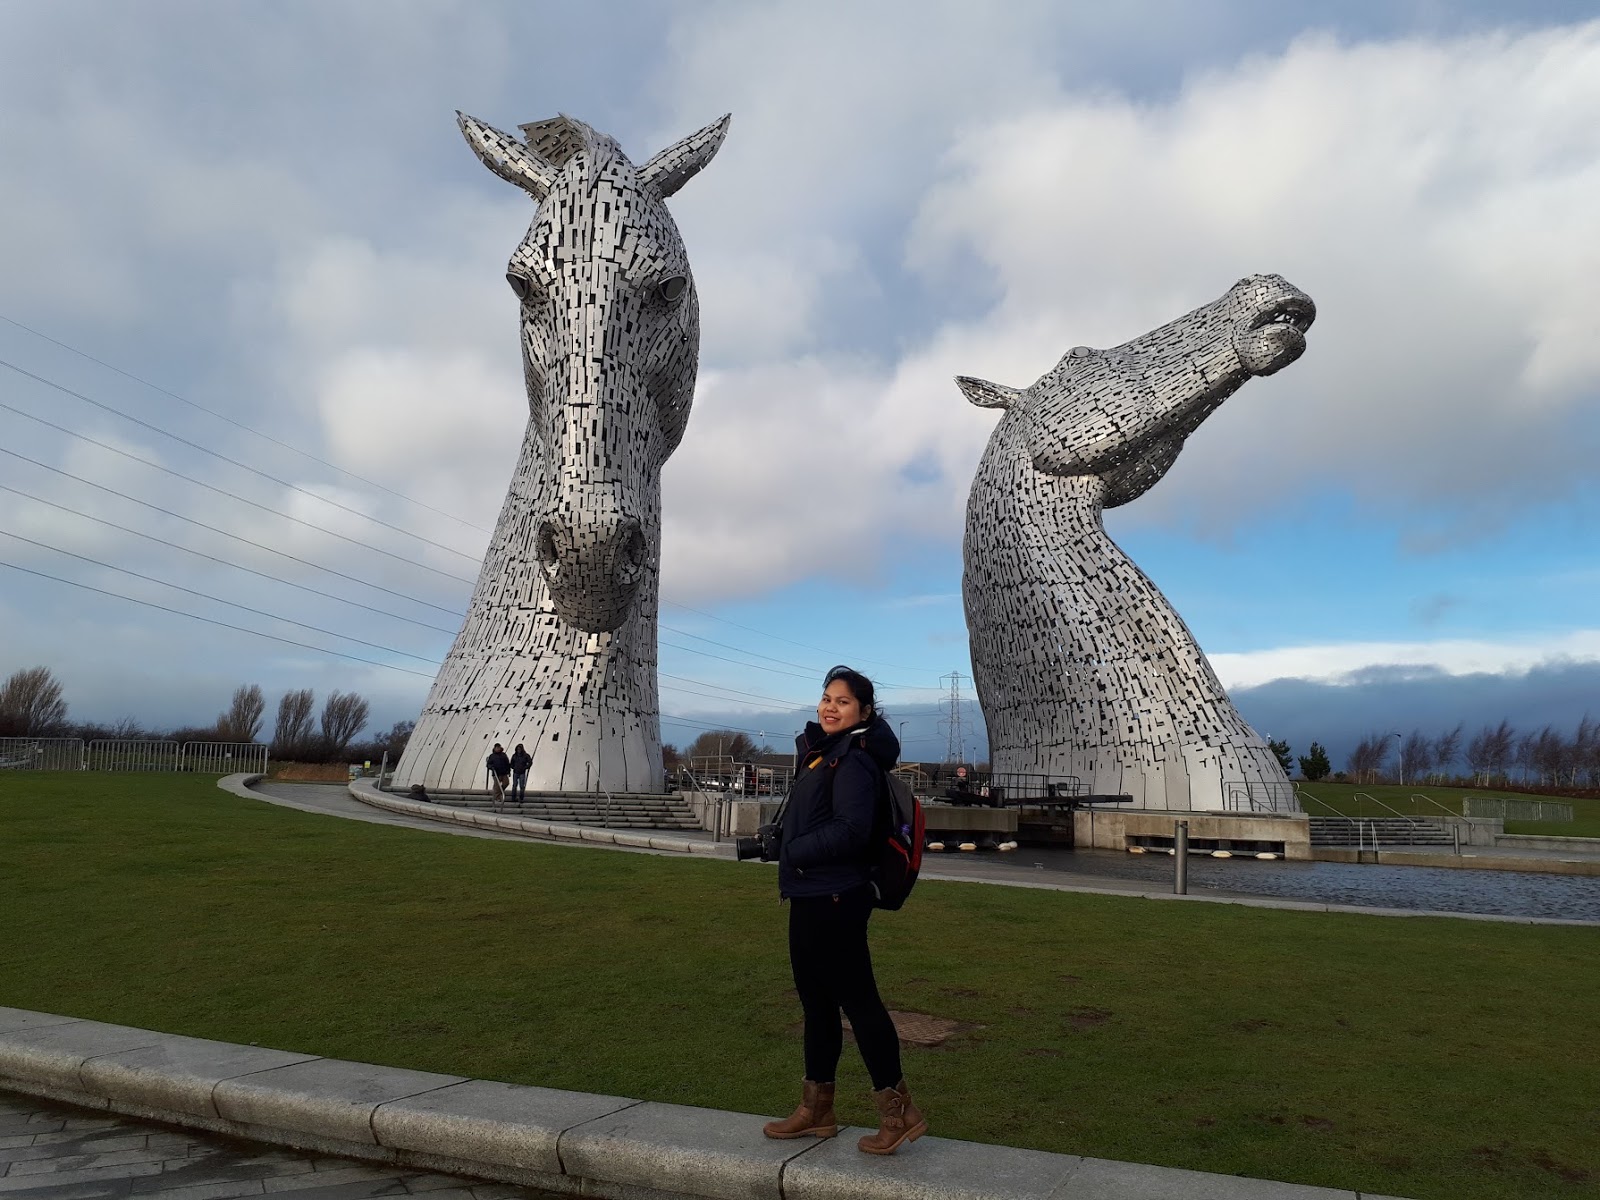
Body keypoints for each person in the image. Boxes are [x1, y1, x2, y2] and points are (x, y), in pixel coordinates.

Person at [762, 665, 927, 1155]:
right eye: (826, 698)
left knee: (859, 1003)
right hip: (811, 896)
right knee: (817, 1005)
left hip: (836, 899)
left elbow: (852, 832)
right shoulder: (824, 754)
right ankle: (818, 1109)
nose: (830, 707)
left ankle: (899, 1113)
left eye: (843, 701)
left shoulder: (853, 761)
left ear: (864, 712)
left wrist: (790, 850)